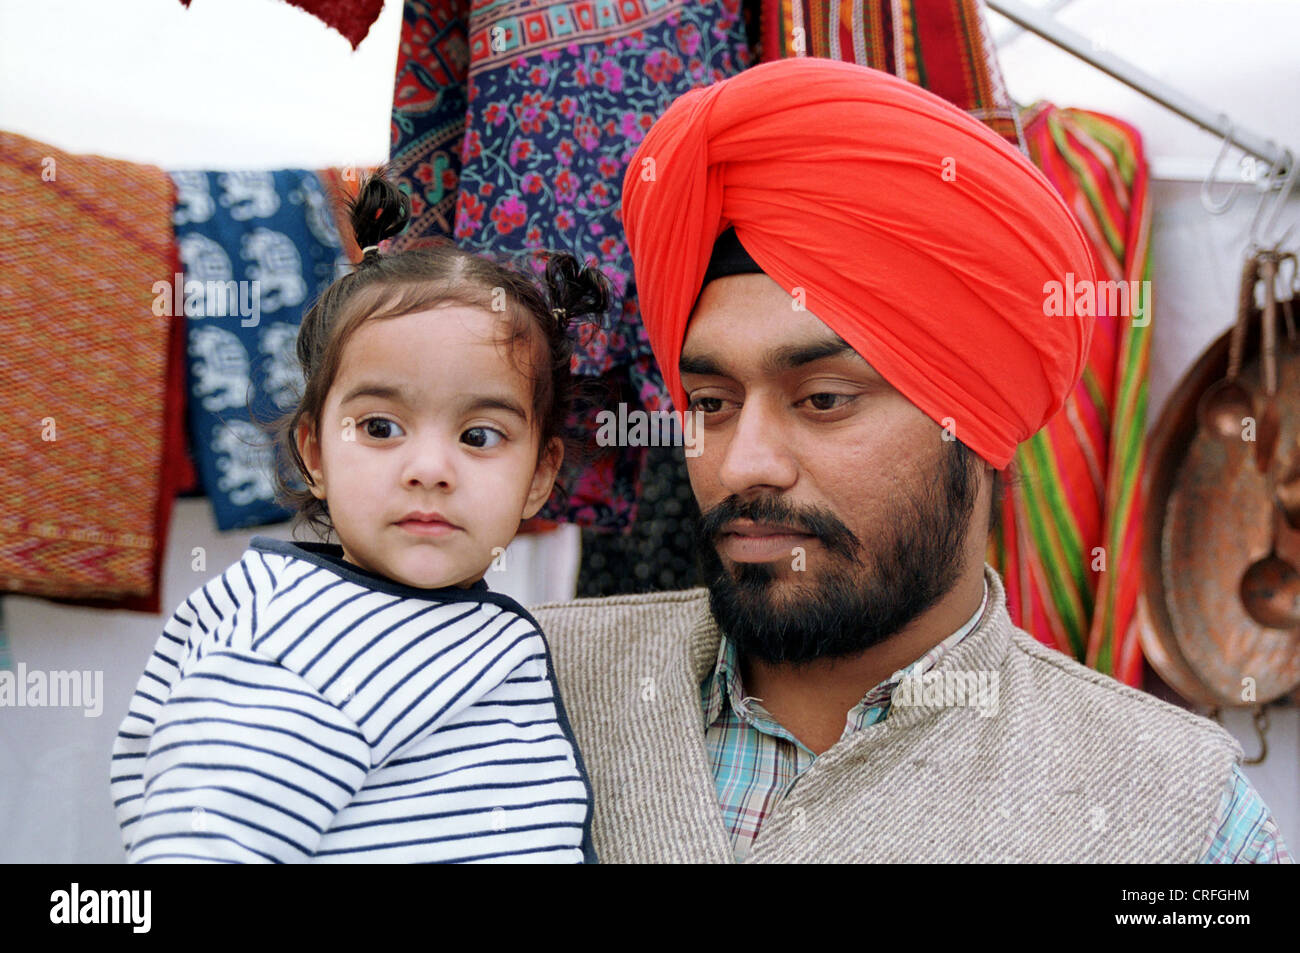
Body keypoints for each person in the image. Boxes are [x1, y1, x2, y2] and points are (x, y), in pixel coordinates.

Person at [529, 57, 1293, 863]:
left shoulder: (1175, 810)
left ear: (979, 422)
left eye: (823, 398)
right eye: (710, 404)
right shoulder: (520, 681)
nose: (744, 462)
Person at [110, 173, 607, 863]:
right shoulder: (290, 636)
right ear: (314, 452)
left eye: (480, 435)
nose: (429, 468)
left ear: (540, 476)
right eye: (380, 426)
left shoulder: (456, 621)